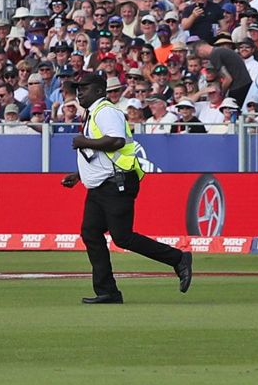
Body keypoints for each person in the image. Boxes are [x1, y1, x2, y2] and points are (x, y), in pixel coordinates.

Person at [61, 71, 193, 304]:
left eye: (84, 88)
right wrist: (80, 175)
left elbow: (117, 141)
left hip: (117, 183)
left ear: (99, 91)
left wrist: (84, 141)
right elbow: (101, 157)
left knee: (122, 237)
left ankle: (178, 258)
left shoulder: (106, 111)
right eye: (77, 88)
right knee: (91, 233)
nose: (79, 92)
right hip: (103, 184)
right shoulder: (94, 113)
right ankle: (107, 291)